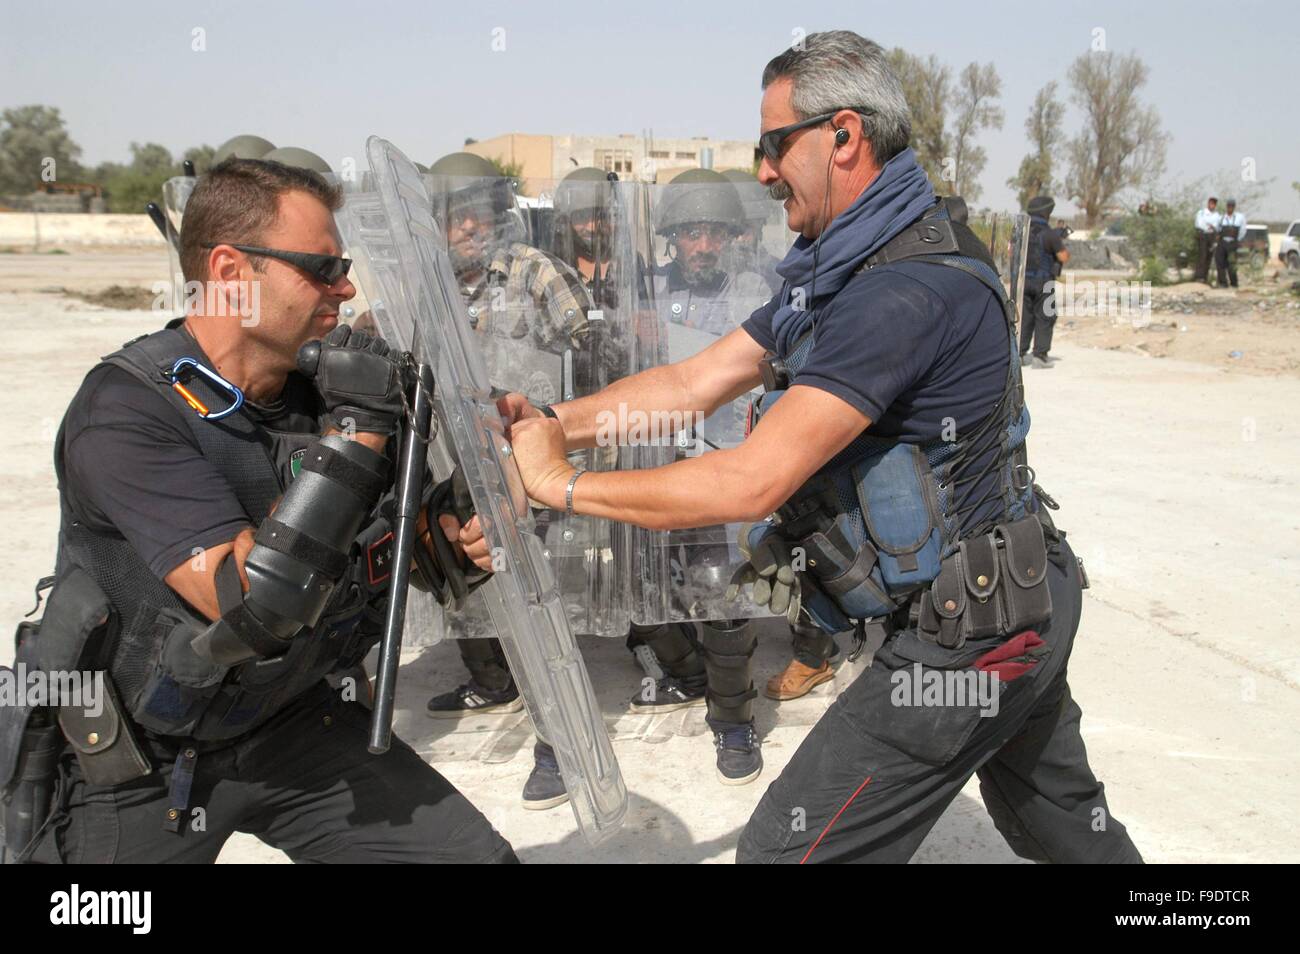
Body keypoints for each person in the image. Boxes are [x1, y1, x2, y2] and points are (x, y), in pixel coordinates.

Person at [463, 30, 1141, 863]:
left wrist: (558, 485)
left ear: (844, 135)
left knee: (788, 852)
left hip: (975, 631)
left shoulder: (898, 291)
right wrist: (552, 421)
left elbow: (749, 480)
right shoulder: (843, 271)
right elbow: (690, 384)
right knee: (1068, 830)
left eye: (774, 144)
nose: (763, 170)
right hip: (1019, 593)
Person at [1, 158, 516, 863]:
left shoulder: (329, 393)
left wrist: (462, 531)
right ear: (231, 271)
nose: (347, 286)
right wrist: (362, 431)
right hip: (138, 760)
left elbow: (399, 559)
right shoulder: (125, 412)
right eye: (322, 266)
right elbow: (252, 599)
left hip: (293, 719)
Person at [422, 151, 596, 811]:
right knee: (465, 588)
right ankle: (493, 683)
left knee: (537, 604)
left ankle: (560, 743)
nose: (468, 229)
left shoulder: (534, 272)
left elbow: (594, 361)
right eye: (454, 217)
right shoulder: (427, 288)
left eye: (478, 215)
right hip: (453, 466)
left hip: (525, 470)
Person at [1020, 195, 1069, 368]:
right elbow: (1063, 256)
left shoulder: (1021, 231)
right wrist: (1059, 241)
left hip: (1022, 282)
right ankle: (1039, 356)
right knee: (1045, 316)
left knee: (1024, 317)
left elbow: (1012, 253)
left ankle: (1019, 353)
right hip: (1043, 282)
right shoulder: (1049, 234)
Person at [1215, 198, 1246, 289]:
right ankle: (1223, 283)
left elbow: (1243, 230)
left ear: (1234, 207)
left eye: (1232, 206)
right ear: (1226, 207)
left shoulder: (1239, 217)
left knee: (1231, 263)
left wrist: (1237, 239)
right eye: (1228, 206)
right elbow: (1218, 229)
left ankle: (1234, 283)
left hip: (1233, 243)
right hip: (1222, 242)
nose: (1230, 208)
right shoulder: (1221, 218)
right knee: (1220, 262)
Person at [1194, 197, 1220, 283]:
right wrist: (1209, 225)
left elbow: (1217, 225)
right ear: (1208, 203)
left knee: (1209, 256)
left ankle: (1204, 277)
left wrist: (1211, 226)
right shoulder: (1201, 213)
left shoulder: (1217, 215)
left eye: (1214, 204)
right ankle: (1199, 276)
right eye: (1211, 203)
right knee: (1202, 255)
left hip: (1212, 236)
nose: (1212, 205)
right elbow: (1199, 224)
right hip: (1203, 235)